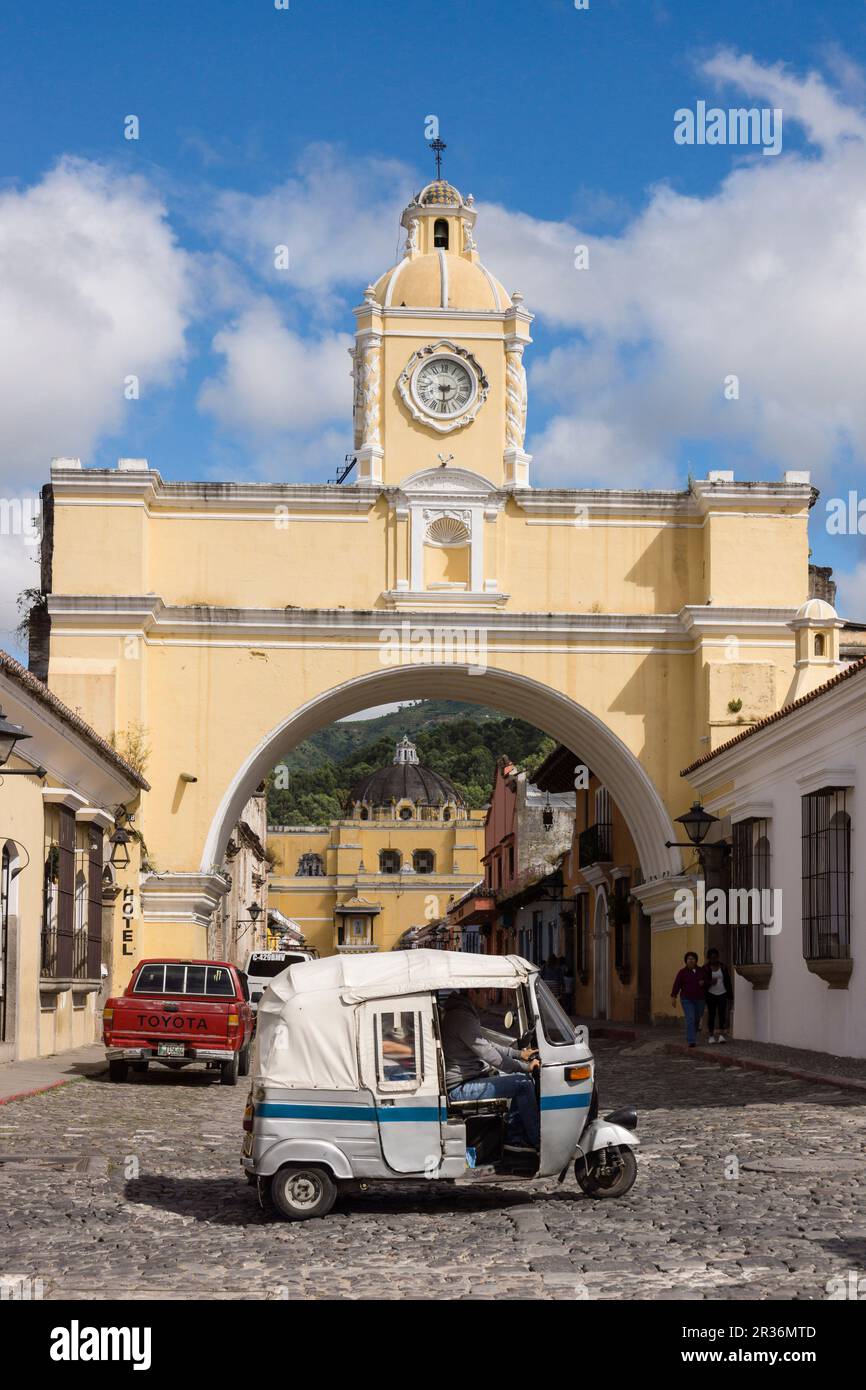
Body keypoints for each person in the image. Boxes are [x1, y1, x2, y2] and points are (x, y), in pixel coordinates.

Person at [440, 989, 540, 1152]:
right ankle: (533, 1141)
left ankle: (514, 1133)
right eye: (486, 994)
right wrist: (525, 1067)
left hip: (470, 1077)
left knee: (517, 1078)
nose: (489, 999)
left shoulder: (463, 1013)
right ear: (472, 993)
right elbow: (488, 1053)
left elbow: (487, 1044)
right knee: (523, 1083)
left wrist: (519, 1054)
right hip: (459, 1087)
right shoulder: (462, 1017)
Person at [670, 951, 708, 1048]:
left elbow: (708, 981)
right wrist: (673, 996)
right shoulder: (682, 972)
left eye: (693, 959)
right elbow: (676, 985)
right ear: (686, 961)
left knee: (696, 1019)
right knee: (690, 1018)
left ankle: (692, 1035)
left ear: (696, 960)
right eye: (689, 959)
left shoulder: (701, 971)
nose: (691, 960)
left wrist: (704, 983)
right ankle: (691, 1040)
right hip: (687, 999)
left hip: (700, 999)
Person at [704, 947, 733, 1044]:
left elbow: (728, 981)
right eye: (712, 958)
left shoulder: (723, 967)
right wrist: (710, 982)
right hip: (710, 994)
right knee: (711, 1015)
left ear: (718, 957)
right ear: (709, 958)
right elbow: (703, 982)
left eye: (715, 957)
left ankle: (721, 1035)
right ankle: (711, 1035)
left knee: (722, 1014)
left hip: (722, 993)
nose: (714, 959)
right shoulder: (706, 968)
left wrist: (730, 995)